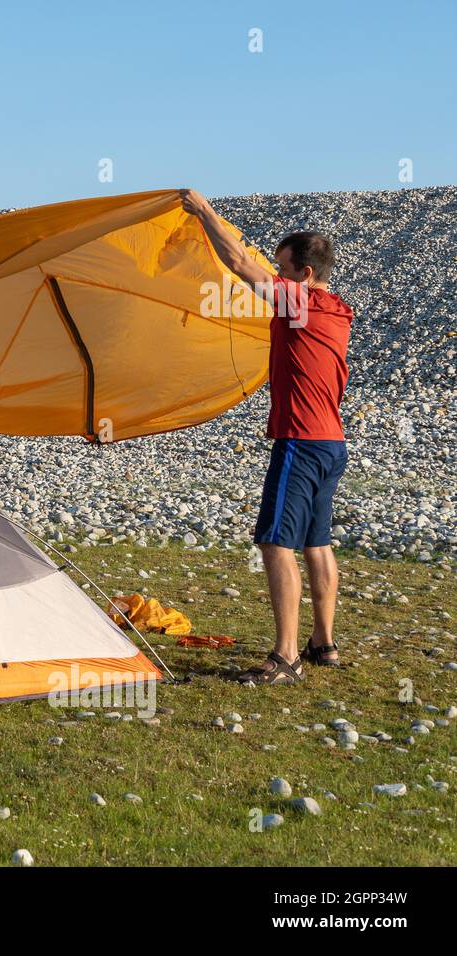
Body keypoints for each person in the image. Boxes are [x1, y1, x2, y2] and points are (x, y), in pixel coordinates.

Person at [180, 189, 354, 685]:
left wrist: (202, 209)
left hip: (300, 441)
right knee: (316, 542)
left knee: (276, 543)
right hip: (331, 443)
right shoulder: (334, 309)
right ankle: (323, 644)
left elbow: (238, 262)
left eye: (281, 269)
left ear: (303, 274)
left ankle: (286, 657)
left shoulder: (297, 302)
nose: (275, 277)